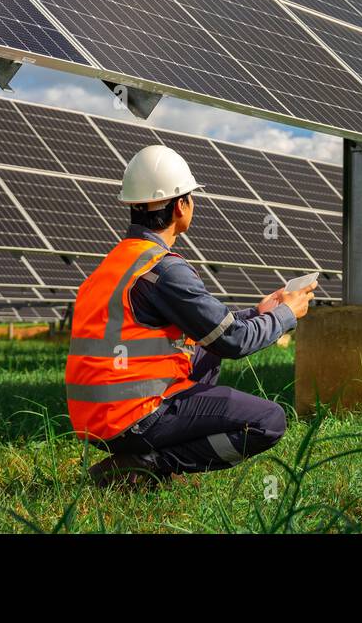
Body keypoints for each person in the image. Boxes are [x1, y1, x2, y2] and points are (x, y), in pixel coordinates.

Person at [66, 144, 316, 487]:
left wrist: (258, 313)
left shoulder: (114, 265)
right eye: (190, 198)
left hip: (93, 419)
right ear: (181, 205)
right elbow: (234, 342)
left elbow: (213, 331)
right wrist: (286, 315)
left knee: (206, 347)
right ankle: (150, 464)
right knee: (268, 421)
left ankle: (144, 454)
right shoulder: (163, 269)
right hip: (133, 417)